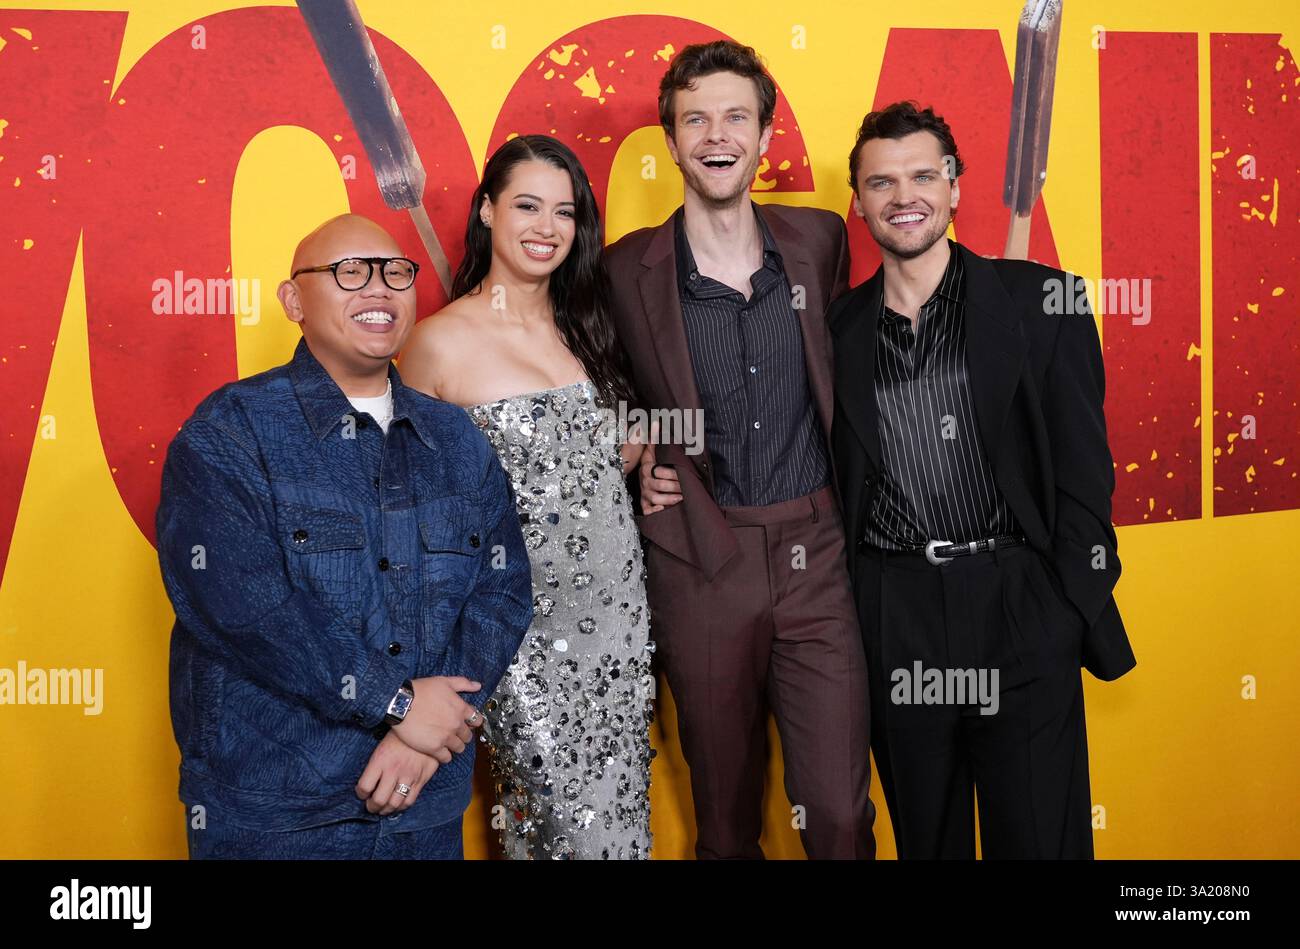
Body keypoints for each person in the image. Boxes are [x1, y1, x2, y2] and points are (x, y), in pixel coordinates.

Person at [156, 213, 532, 859]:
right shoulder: (230, 432)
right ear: (293, 299)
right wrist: (397, 701)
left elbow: (502, 592)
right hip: (280, 817)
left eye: (395, 272)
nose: (379, 290)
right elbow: (242, 608)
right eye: (349, 272)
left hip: (424, 811)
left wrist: (423, 737)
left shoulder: (457, 440)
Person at [829, 101, 1136, 858]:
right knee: (927, 842)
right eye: (883, 182)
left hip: (1019, 603)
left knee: (1040, 840)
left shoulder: (1041, 303)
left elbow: (1085, 480)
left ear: (956, 187)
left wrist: (1066, 606)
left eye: (924, 175)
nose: (905, 196)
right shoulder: (835, 329)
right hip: (894, 612)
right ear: (860, 201)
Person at [603, 40, 875, 859]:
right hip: (698, 554)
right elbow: (597, 382)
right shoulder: (625, 270)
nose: (715, 135)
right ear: (671, 139)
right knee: (723, 820)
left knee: (836, 811)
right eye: (695, 119)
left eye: (734, 117)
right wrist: (639, 450)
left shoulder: (820, 242)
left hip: (817, 548)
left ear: (763, 136)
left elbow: (850, 367)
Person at [399, 135, 653, 860]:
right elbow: (417, 515)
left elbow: (608, 462)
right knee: (561, 827)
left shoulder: (590, 328)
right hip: (520, 632)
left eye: (564, 212)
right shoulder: (436, 344)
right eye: (527, 205)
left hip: (621, 625)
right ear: (486, 211)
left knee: (620, 823)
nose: (546, 227)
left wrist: (644, 461)